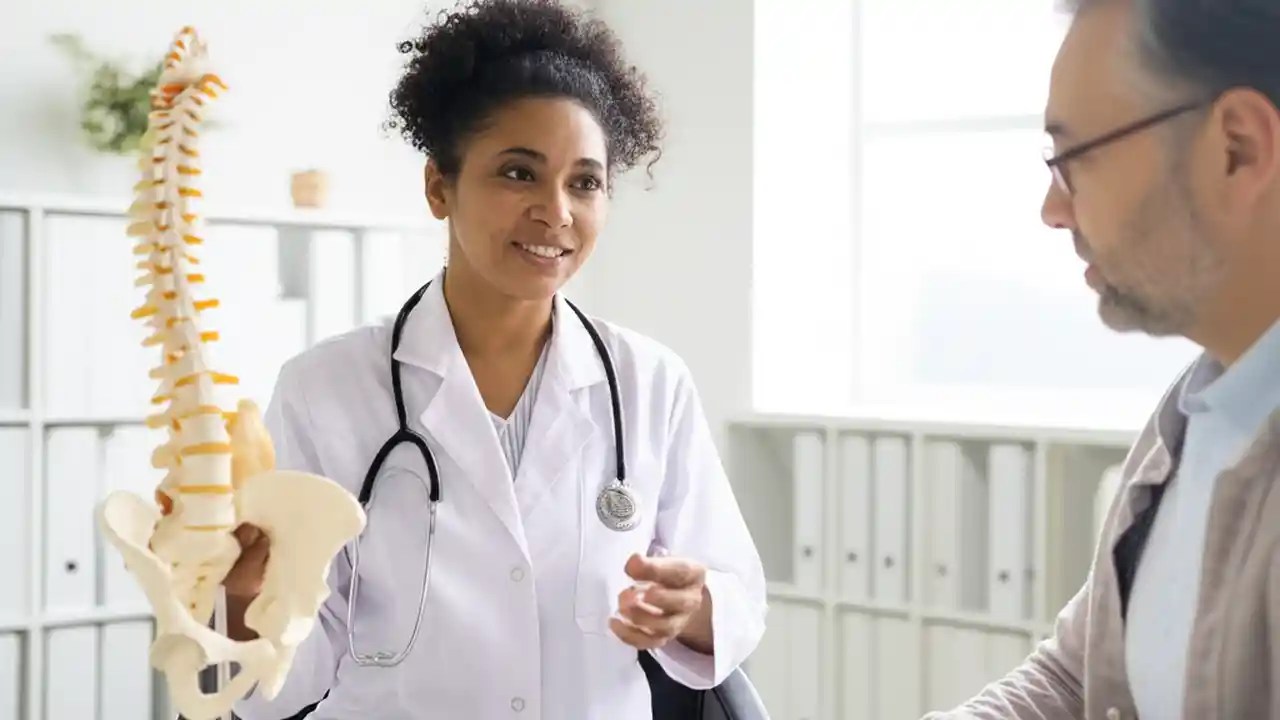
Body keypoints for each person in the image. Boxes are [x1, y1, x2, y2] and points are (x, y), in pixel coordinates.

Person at [225, 1, 767, 718]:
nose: (557, 211)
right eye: (519, 173)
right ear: (438, 187)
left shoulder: (647, 383)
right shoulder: (324, 390)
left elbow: (735, 600)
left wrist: (691, 607)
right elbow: (273, 691)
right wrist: (238, 599)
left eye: (585, 182)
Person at [925, 1, 1280, 719]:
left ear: (1237, 148)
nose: (1054, 209)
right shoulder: (1195, 415)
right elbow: (1077, 675)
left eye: (1074, 159)